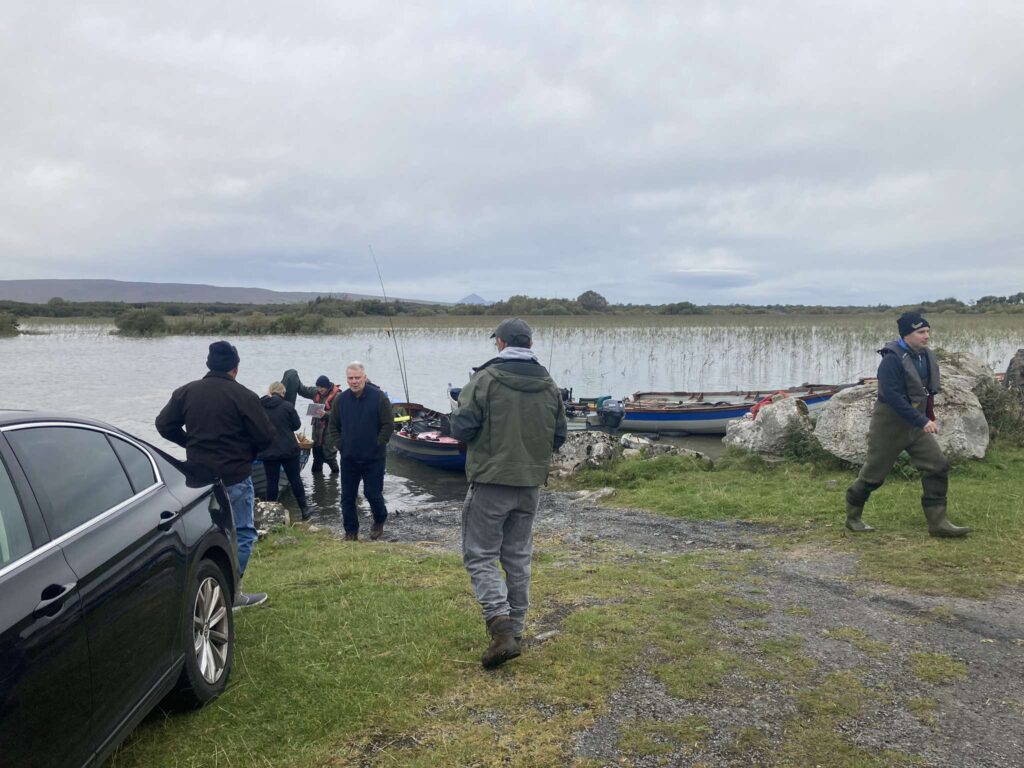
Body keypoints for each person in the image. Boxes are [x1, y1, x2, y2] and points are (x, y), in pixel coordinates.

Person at [451, 318, 568, 669]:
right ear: (529, 344)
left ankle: (501, 627)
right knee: (517, 555)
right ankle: (515, 630)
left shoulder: (484, 379)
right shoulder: (549, 384)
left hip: (491, 481)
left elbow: (463, 426)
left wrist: (457, 409)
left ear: (500, 343)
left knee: (480, 554)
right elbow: (558, 436)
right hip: (530, 483)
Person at [156, 340, 276, 609]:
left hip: (197, 478)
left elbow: (163, 425)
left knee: (204, 535)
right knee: (243, 533)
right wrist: (246, 452)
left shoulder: (186, 392)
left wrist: (189, 443)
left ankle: (205, 590)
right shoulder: (244, 396)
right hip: (235, 476)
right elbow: (267, 436)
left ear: (209, 364)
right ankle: (230, 594)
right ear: (236, 367)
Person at [845, 312, 971, 537]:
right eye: (921, 332)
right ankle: (853, 517)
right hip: (889, 426)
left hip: (916, 426)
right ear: (906, 334)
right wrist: (921, 420)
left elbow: (927, 392)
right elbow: (893, 398)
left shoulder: (925, 356)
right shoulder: (891, 360)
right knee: (873, 477)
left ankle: (938, 524)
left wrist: (928, 416)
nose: (927, 336)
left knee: (938, 466)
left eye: (928, 331)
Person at [326, 362, 394, 541]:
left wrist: (379, 443)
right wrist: (341, 445)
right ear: (346, 379)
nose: (354, 381)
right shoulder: (341, 400)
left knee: (372, 494)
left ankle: (379, 519)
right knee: (347, 497)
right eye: (350, 378)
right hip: (349, 458)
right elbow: (333, 426)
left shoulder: (378, 397)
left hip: (374, 458)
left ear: (364, 377)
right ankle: (350, 532)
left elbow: (388, 424)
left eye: (357, 378)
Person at [259, 381, 311, 521]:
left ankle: (270, 512)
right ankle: (304, 510)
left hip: (268, 450)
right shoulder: (287, 406)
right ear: (282, 393)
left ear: (270, 392)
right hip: (288, 449)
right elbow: (296, 425)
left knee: (271, 482)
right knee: (295, 480)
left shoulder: (259, 406)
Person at [283, 371, 341, 475]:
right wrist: (293, 377)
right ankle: (318, 486)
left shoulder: (338, 396)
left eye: (321, 388)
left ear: (327, 387)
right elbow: (302, 390)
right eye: (317, 387)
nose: (319, 390)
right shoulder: (315, 392)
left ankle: (335, 479)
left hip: (330, 433)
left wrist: (326, 414)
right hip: (317, 432)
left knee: (330, 458)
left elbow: (341, 414)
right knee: (316, 460)